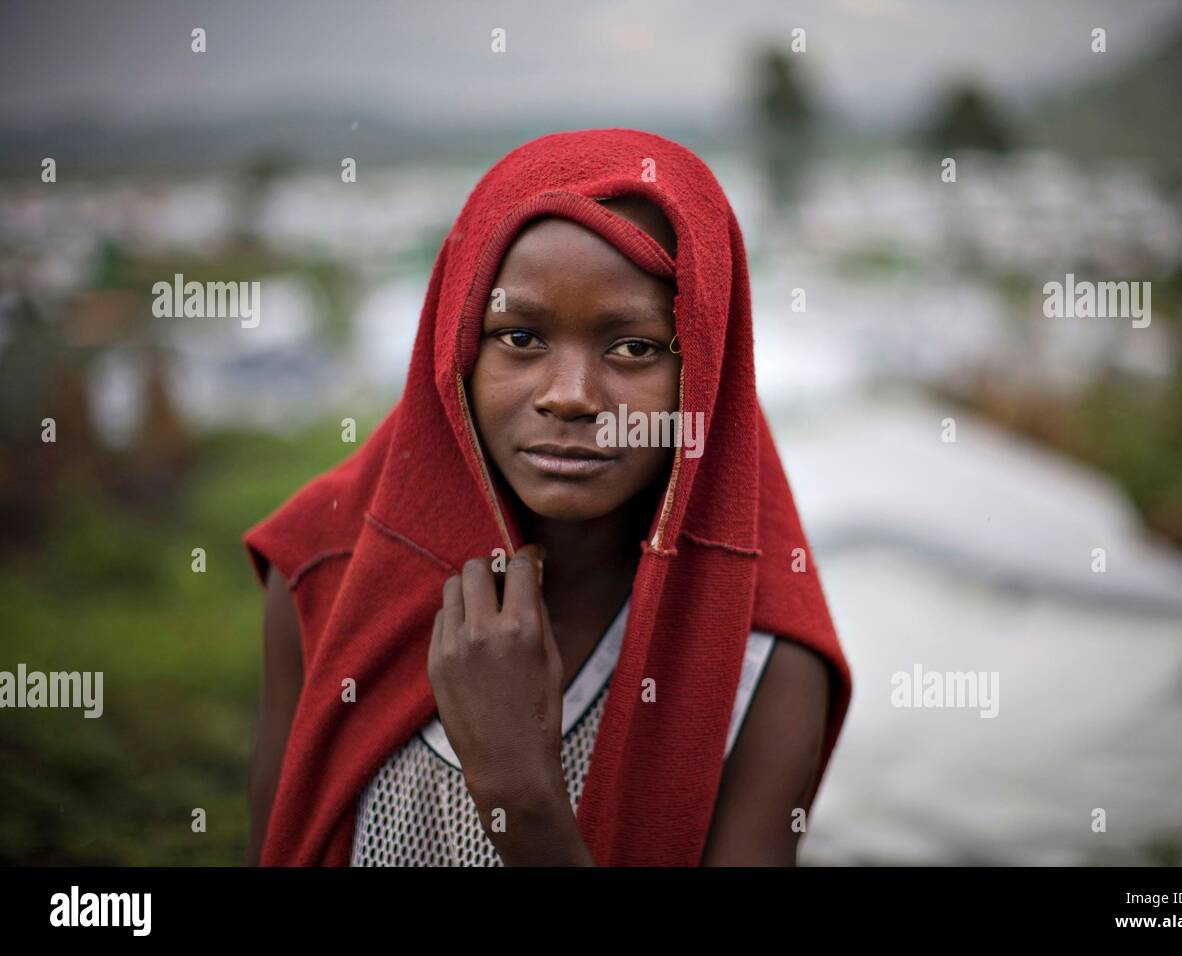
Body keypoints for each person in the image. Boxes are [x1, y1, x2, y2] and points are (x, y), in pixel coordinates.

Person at [244, 128, 852, 866]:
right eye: (520, 336)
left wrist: (519, 794)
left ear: (705, 376)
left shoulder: (762, 665)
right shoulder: (321, 574)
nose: (570, 397)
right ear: (456, 345)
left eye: (633, 347)